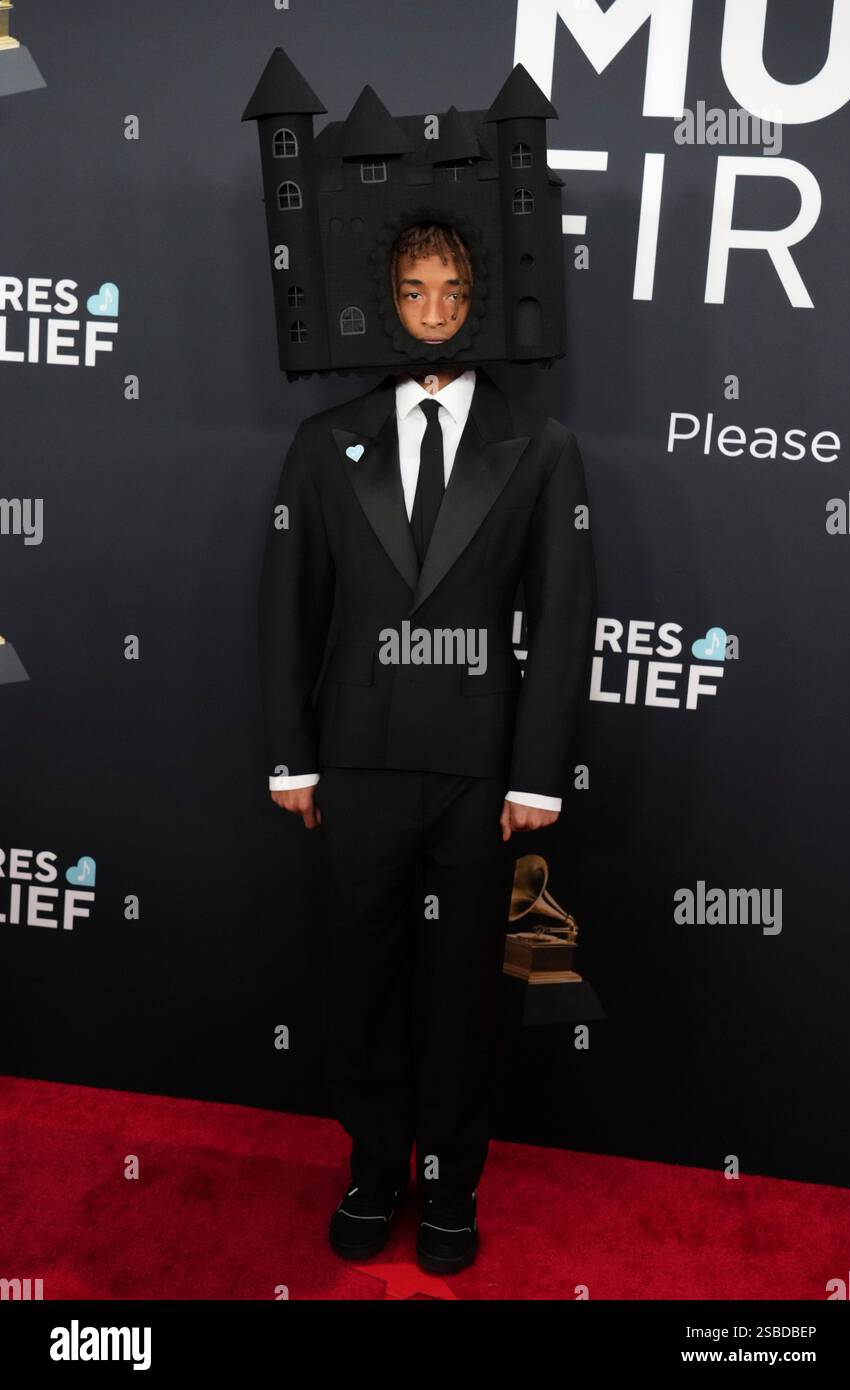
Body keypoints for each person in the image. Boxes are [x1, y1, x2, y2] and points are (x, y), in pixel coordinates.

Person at [258, 222, 596, 1274]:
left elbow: (563, 613)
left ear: (480, 300)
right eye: (415, 289)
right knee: (359, 974)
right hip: (355, 763)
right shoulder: (325, 442)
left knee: (462, 984)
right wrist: (292, 757)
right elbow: (287, 611)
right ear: (387, 299)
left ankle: (450, 1181)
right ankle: (371, 1168)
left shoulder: (537, 447)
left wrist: (538, 770)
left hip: (481, 771)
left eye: (454, 290)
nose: (436, 309)